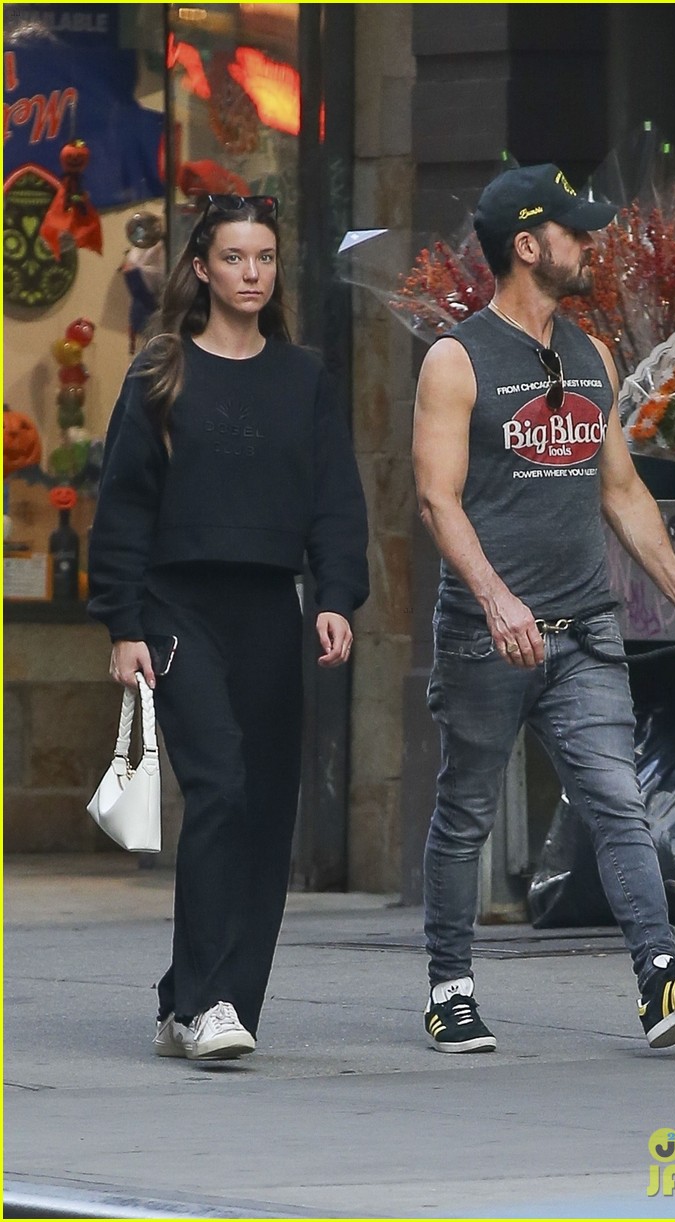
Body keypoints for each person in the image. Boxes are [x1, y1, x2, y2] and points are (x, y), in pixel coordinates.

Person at [412, 163, 675, 1053]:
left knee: (616, 799)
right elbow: (438, 499)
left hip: (586, 627)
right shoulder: (455, 359)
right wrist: (497, 602)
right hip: (489, 634)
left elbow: (623, 491)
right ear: (527, 245)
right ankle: (448, 987)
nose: (590, 242)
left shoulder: (591, 353)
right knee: (466, 810)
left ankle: (658, 977)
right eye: (574, 230)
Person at [88, 194, 368, 1060]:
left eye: (266, 259)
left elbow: (334, 500)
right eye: (235, 258)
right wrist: (122, 622)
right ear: (202, 269)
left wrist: (335, 595)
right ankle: (204, 999)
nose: (252, 274)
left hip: (268, 608)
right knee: (221, 789)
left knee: (267, 809)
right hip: (177, 609)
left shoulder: (303, 378)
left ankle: (204, 1003)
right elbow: (124, 505)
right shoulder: (160, 372)